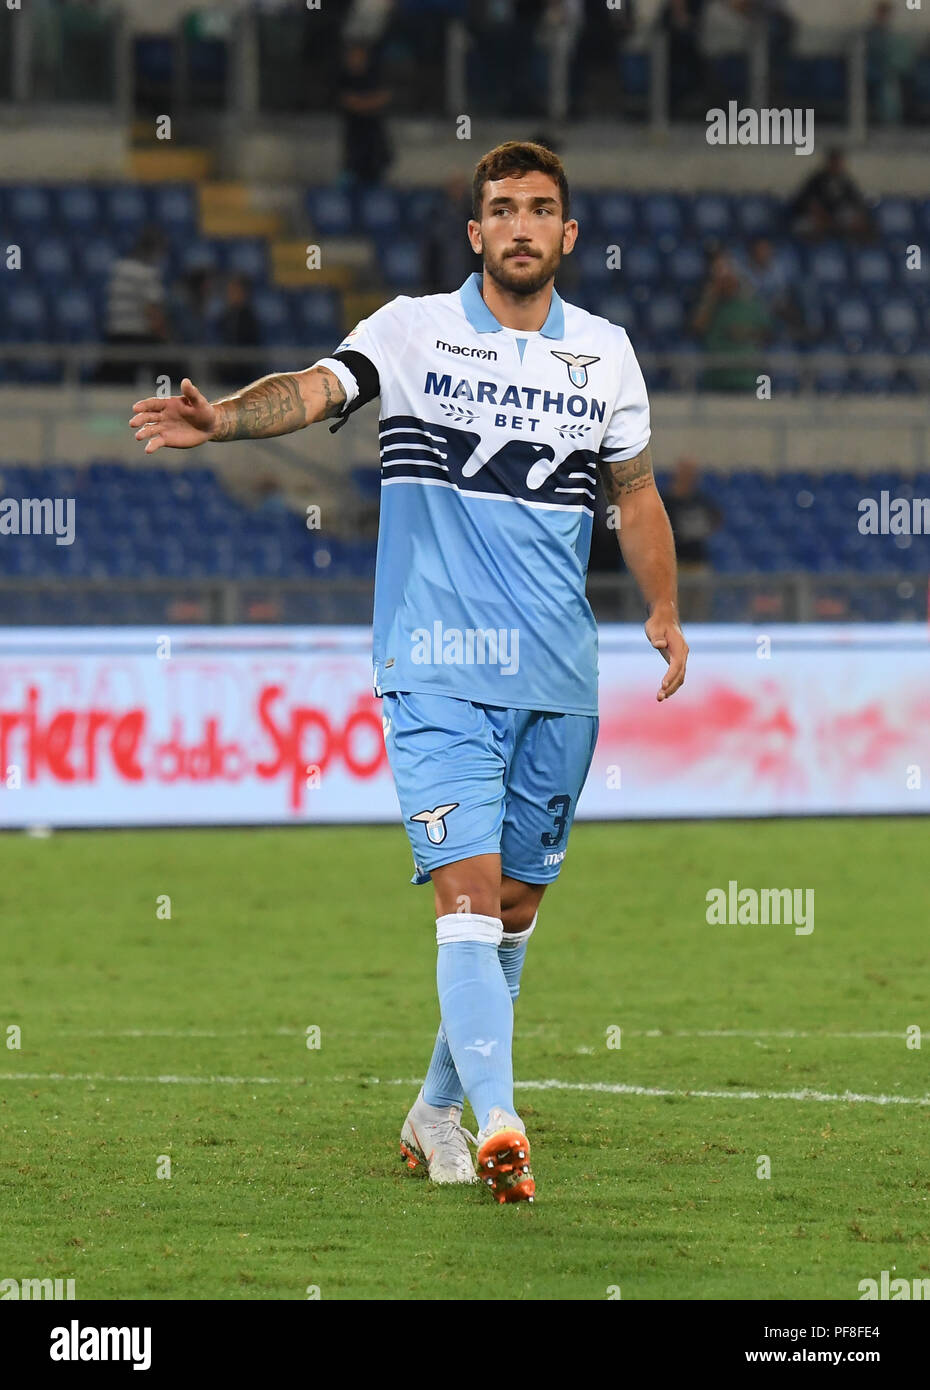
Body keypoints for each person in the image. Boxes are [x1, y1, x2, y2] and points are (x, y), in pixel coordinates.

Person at [128, 140, 689, 1204]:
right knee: (466, 898)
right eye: (501, 209)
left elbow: (639, 490)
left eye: (540, 209)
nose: (520, 225)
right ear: (474, 232)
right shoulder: (413, 329)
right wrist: (226, 419)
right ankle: (502, 1122)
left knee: (514, 907)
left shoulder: (608, 356)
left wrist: (662, 605)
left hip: (559, 675)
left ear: (567, 236)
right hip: (432, 664)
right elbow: (313, 387)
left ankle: (436, 1107)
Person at [692, 250, 773, 390]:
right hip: (716, 377)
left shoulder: (750, 303)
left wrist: (746, 332)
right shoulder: (708, 302)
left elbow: (767, 331)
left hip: (747, 377)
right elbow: (697, 328)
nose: (725, 279)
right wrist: (711, 296)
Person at [97, 226, 167, 384]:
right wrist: (165, 337)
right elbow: (153, 311)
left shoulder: (118, 268)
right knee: (169, 367)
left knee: (117, 384)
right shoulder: (147, 273)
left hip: (114, 335)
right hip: (138, 338)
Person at [788, 147, 875, 244]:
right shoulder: (815, 180)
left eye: (839, 163)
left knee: (861, 224)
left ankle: (854, 253)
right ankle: (813, 252)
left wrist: (856, 216)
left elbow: (856, 202)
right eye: (834, 163)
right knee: (805, 226)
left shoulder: (845, 181)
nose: (837, 166)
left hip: (838, 219)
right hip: (816, 219)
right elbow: (801, 202)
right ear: (828, 163)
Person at [338, 41, 393, 186]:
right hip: (354, 143)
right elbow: (349, 102)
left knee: (376, 187)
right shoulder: (343, 78)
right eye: (352, 57)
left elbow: (384, 97)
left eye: (359, 57)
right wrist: (370, 103)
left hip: (375, 144)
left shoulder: (375, 75)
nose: (355, 60)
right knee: (349, 184)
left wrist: (363, 103)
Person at [866, 0, 915, 126]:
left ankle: (892, 120)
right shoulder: (871, 33)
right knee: (887, 85)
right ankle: (889, 121)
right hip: (873, 72)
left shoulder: (891, 34)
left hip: (888, 72)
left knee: (891, 83)